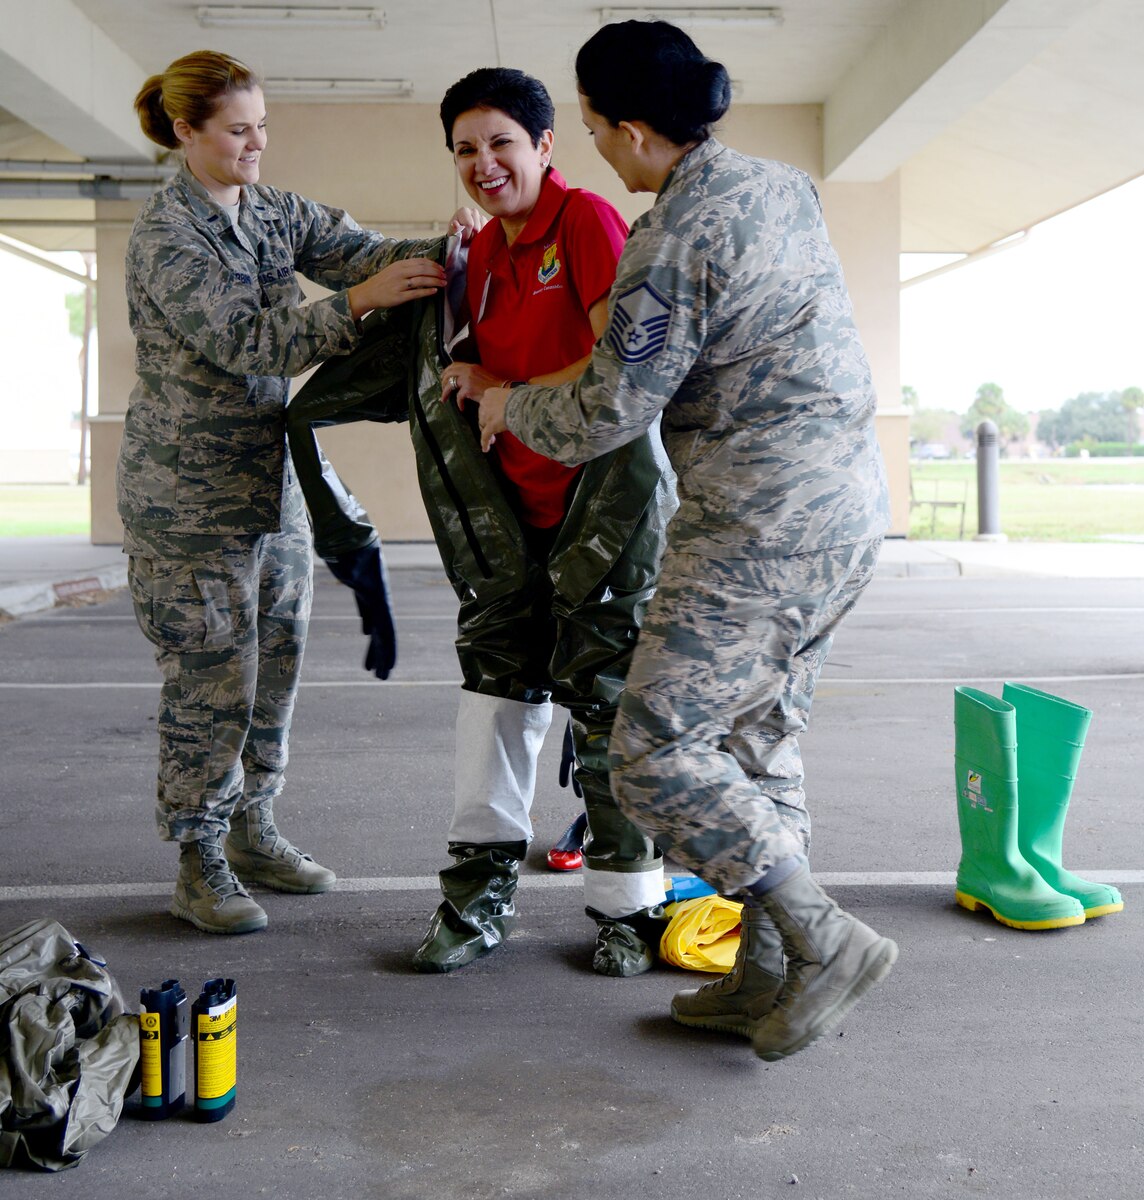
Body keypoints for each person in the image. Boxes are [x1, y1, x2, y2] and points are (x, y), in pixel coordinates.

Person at [471, 22, 898, 1060]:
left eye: (589, 131)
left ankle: (822, 935)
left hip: (758, 525)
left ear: (628, 130)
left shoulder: (670, 239)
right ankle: (763, 971)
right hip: (843, 506)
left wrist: (506, 403)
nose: (599, 153)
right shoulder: (782, 185)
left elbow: (607, 412)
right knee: (755, 743)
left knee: (653, 747)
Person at [119, 50, 455, 935]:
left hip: (275, 490)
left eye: (262, 124)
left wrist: (460, 242)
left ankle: (253, 830)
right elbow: (245, 339)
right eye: (238, 129)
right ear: (186, 132)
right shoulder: (166, 234)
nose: (257, 142)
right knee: (209, 683)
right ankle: (199, 856)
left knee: (276, 673)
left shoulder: (272, 210)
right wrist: (358, 305)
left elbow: (362, 253)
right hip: (188, 502)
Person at [404, 67, 676, 977]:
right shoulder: (481, 254)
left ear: (545, 145)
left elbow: (616, 371)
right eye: (465, 149)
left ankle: (630, 914)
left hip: (604, 510)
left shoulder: (590, 222)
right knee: (494, 706)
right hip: (509, 519)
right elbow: (472, 370)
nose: (484, 164)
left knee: (605, 717)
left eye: (501, 143)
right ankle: (476, 904)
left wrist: (503, 388)